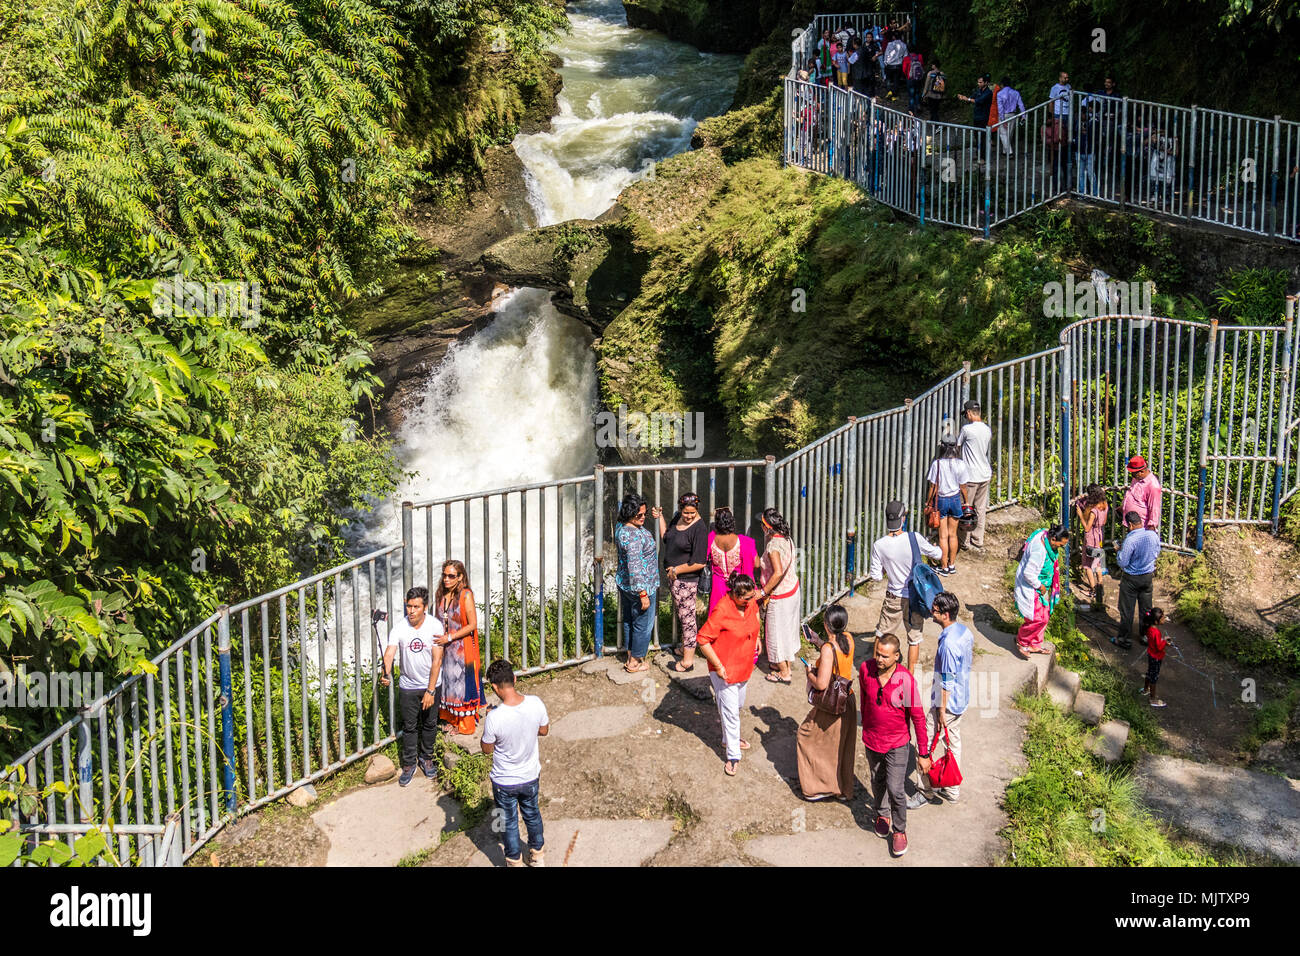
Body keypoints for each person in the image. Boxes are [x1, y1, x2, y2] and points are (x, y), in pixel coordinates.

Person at [859, 632, 931, 858]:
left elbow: (918, 717)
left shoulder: (906, 680)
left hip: (898, 744)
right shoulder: (865, 669)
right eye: (877, 654)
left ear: (897, 656)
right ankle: (882, 814)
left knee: (896, 788)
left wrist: (923, 752)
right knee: (877, 780)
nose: (879, 660)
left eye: (885, 656)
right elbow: (864, 698)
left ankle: (899, 831)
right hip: (872, 741)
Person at [480, 659, 549, 867]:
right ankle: (537, 855)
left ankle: (514, 861)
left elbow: (487, 748)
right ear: (515, 679)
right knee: (532, 814)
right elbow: (544, 730)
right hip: (529, 776)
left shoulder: (495, 717)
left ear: (494, 687)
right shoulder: (536, 703)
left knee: (508, 823)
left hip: (504, 781)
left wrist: (489, 717)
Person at [696, 572, 763, 776]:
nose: (751, 601)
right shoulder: (722, 610)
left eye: (752, 597)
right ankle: (733, 756)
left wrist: (757, 637)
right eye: (746, 599)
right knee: (731, 713)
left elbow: (756, 616)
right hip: (724, 670)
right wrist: (718, 665)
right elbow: (702, 639)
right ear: (734, 595)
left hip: (743, 667)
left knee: (735, 706)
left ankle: (728, 739)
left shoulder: (750, 603)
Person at [381, 586, 445, 786]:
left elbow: (437, 661)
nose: (411, 611)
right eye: (408, 606)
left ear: (424, 607)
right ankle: (409, 764)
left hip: (431, 684)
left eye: (416, 607)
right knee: (409, 727)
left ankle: (426, 758)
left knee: (429, 723)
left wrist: (430, 690)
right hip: (408, 686)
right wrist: (386, 672)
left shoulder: (435, 626)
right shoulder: (399, 627)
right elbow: (390, 653)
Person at [869, 500, 942, 674]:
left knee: (881, 633)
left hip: (893, 596)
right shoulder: (914, 538)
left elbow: (876, 576)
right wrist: (935, 547)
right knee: (914, 638)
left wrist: (889, 569)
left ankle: (875, 672)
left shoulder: (879, 545)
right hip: (916, 596)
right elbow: (938, 554)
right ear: (903, 518)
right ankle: (910, 676)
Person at [796, 603, 858, 801]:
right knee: (841, 746)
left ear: (826, 625)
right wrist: (817, 641)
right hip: (848, 698)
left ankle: (817, 787)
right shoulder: (848, 639)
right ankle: (842, 786)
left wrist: (809, 673)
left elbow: (822, 684)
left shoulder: (828, 651)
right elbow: (833, 649)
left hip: (832, 704)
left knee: (805, 736)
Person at [918, 591, 972, 804]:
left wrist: (941, 709)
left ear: (945, 614)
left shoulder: (948, 644)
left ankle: (924, 790)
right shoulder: (964, 632)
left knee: (926, 742)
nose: (932, 612)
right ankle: (952, 789)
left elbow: (947, 680)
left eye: (936, 610)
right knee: (953, 743)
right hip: (961, 699)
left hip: (947, 703)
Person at [657, 491, 708, 673]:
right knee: (683, 615)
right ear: (680, 509)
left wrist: (677, 570)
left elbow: (700, 562)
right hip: (675, 579)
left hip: (687, 581)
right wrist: (661, 517)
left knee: (688, 619)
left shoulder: (700, 529)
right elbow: (666, 537)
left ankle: (688, 661)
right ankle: (684, 648)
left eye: (692, 513)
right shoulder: (678, 517)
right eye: (686, 512)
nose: (688, 516)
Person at [433, 560, 485, 736]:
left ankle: (464, 724)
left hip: (461, 648)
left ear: (460, 576)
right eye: (444, 575)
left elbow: (472, 625)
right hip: (445, 648)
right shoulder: (440, 594)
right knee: (448, 683)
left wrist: (450, 637)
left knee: (461, 685)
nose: (446, 579)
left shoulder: (466, 595)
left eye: (451, 576)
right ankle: (451, 718)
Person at [756, 508, 800, 683]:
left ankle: (784, 672)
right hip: (792, 590)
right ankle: (783, 663)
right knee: (786, 631)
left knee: (775, 634)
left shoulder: (773, 546)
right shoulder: (786, 538)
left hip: (780, 596)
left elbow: (777, 572)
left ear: (767, 527)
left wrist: (763, 591)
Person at [614, 493, 657, 674]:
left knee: (630, 620)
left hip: (625, 584)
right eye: (639, 515)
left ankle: (630, 652)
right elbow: (635, 566)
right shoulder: (632, 537)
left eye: (644, 514)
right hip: (642, 586)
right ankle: (635, 662)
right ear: (630, 513)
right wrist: (642, 593)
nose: (643, 517)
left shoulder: (621, 527)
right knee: (642, 624)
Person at [1014, 524, 1068, 659]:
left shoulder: (1045, 535)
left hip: (1040, 586)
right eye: (1060, 545)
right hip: (1032, 586)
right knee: (1036, 618)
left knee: (1044, 616)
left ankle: (1035, 643)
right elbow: (1028, 573)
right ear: (1053, 539)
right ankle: (1022, 641)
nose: (1060, 548)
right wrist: (1040, 586)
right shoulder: (1040, 551)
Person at [1114, 510, 1160, 649]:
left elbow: (1123, 562)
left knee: (1127, 610)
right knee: (1146, 610)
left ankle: (1124, 639)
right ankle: (1146, 636)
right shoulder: (1152, 535)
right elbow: (1156, 553)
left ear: (1130, 525)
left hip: (1131, 579)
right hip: (1147, 577)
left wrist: (1118, 551)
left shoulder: (1130, 539)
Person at [926, 437, 970, 576]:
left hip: (942, 501)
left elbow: (933, 486)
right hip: (956, 499)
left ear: (942, 447)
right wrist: (966, 501)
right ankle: (952, 565)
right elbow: (963, 486)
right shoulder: (960, 464)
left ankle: (943, 567)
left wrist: (928, 502)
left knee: (943, 537)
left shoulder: (937, 464)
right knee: (953, 535)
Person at [705, 506, 759, 617]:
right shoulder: (745, 541)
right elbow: (757, 564)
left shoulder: (710, 539)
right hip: (739, 587)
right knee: (740, 618)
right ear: (732, 522)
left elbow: (703, 559)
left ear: (716, 524)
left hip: (718, 586)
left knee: (719, 618)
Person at [957, 400, 992, 552]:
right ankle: (978, 540)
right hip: (984, 474)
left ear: (969, 413)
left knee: (965, 507)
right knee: (980, 509)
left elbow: (957, 447)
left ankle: (964, 541)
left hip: (970, 476)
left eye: (966, 414)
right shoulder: (987, 429)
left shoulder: (966, 430)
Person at [1074, 484, 1109, 611]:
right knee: (1097, 563)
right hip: (1099, 537)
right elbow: (1104, 522)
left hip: (1091, 539)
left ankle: (1093, 590)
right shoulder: (1104, 505)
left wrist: (1080, 515)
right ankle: (1100, 585)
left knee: (1088, 565)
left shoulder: (1093, 511)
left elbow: (1087, 528)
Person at [1121, 454, 1162, 533]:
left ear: (1142, 472)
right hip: (1131, 524)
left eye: (1133, 473)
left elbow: (1154, 508)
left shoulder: (1153, 486)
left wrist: (1151, 528)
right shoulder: (1137, 478)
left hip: (1141, 528)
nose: (1132, 475)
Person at [1141, 608, 1170, 707]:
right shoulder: (1156, 632)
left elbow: (1154, 642)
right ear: (1156, 621)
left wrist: (1162, 640)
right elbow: (1159, 647)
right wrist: (1165, 642)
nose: (1164, 619)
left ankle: (1145, 690)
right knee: (1154, 677)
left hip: (1151, 654)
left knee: (1149, 672)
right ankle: (1153, 699)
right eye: (1162, 618)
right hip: (1156, 657)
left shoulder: (1149, 629)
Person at [994, 77, 1026, 156]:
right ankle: (1005, 151)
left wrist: (1002, 119)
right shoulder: (1016, 93)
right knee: (1010, 133)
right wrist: (1023, 115)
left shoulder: (999, 94)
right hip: (1013, 114)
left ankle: (1009, 152)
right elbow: (1021, 104)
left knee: (1002, 133)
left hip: (1004, 114)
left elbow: (1000, 108)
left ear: (1002, 84)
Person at [882, 33, 907, 97]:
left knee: (888, 79)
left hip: (890, 64)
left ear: (893, 37)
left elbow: (886, 54)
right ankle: (895, 94)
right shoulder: (904, 45)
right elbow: (905, 56)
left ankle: (889, 91)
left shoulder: (890, 44)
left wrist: (885, 62)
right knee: (896, 80)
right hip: (898, 65)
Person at [902, 47, 924, 112]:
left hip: (910, 78)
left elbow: (904, 70)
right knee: (917, 92)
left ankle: (911, 110)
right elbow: (922, 65)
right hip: (919, 78)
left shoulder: (906, 58)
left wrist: (907, 75)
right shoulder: (920, 56)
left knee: (911, 95)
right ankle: (918, 105)